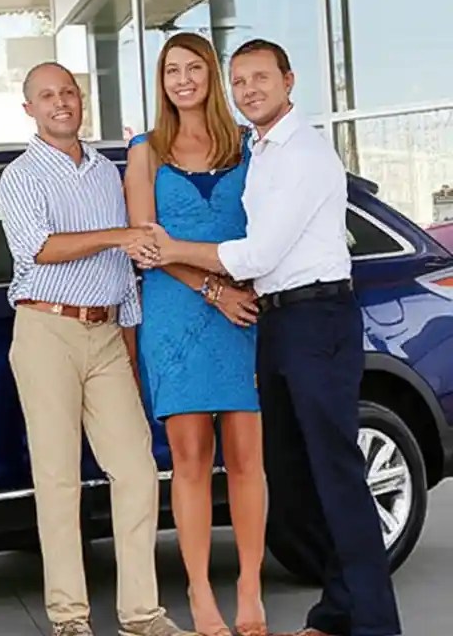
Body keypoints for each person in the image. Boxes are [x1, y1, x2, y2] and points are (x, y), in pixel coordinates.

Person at [139, 39, 402, 636]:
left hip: (316, 318)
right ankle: (336, 611)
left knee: (336, 475)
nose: (249, 90)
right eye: (239, 81)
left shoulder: (304, 153)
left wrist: (174, 249)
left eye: (260, 78)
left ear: (289, 81)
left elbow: (258, 253)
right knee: (297, 475)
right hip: (275, 321)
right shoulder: (259, 151)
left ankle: (376, 623)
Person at [0, 61, 192, 636]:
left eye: (68, 92)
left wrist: (129, 347)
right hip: (47, 330)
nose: (61, 102)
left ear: (81, 100)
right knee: (58, 479)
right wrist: (120, 235)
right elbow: (37, 248)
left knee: (136, 470)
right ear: (29, 108)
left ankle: (141, 614)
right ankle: (69, 618)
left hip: (107, 332)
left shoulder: (108, 172)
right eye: (47, 95)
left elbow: (123, 271)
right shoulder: (21, 176)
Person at [124, 33, 266, 636]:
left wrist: (239, 292)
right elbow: (145, 244)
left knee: (247, 456)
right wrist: (214, 290)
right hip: (177, 312)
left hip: (244, 315)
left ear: (211, 75)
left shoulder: (247, 147)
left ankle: (250, 588)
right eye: (171, 71)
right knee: (190, 458)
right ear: (161, 82)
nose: (182, 80)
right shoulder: (145, 151)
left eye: (193, 68)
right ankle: (200, 591)